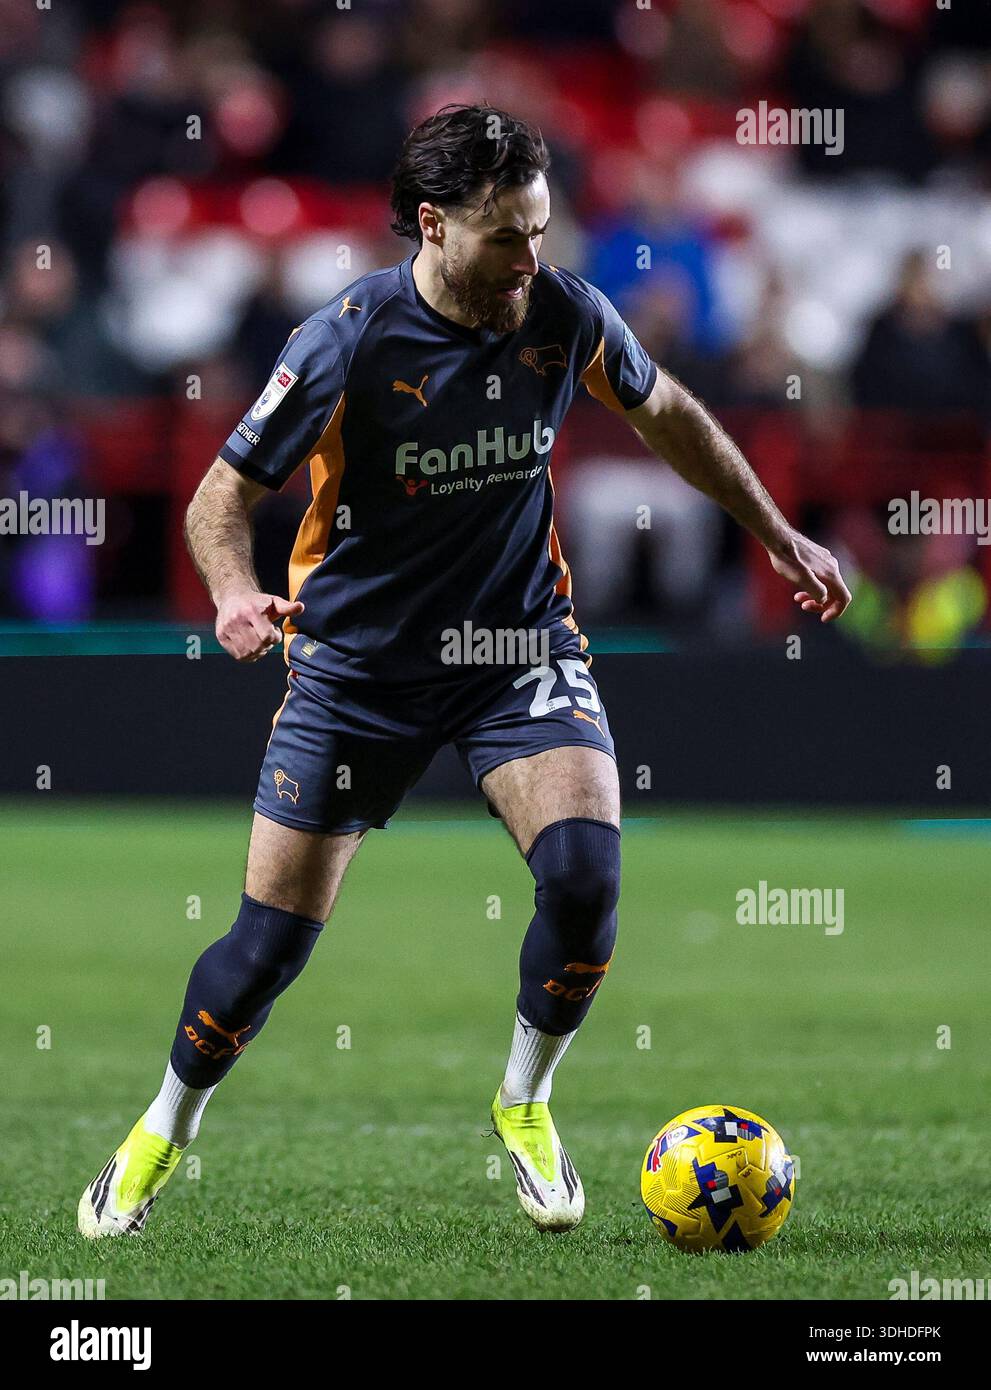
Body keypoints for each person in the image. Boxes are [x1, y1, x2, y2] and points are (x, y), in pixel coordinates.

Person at [78, 104, 850, 1239]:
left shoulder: (562, 312)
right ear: (432, 226)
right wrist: (236, 596)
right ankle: (160, 1130)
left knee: (585, 877)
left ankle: (525, 1101)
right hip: (357, 672)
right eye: (508, 238)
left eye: (541, 232)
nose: (530, 260)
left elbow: (669, 412)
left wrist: (778, 533)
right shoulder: (344, 341)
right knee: (261, 955)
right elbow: (219, 499)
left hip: (516, 650)